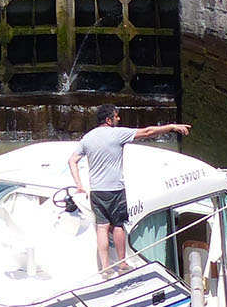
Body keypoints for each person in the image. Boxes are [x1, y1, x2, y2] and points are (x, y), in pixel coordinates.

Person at [67, 104, 191, 275]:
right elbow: (148, 132)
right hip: (116, 190)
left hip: (97, 191)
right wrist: (171, 127)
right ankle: (122, 263)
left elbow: (72, 160)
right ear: (108, 120)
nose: (119, 119)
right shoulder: (118, 134)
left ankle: (104, 267)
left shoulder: (87, 138)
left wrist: (79, 185)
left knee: (102, 227)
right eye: (116, 116)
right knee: (118, 225)